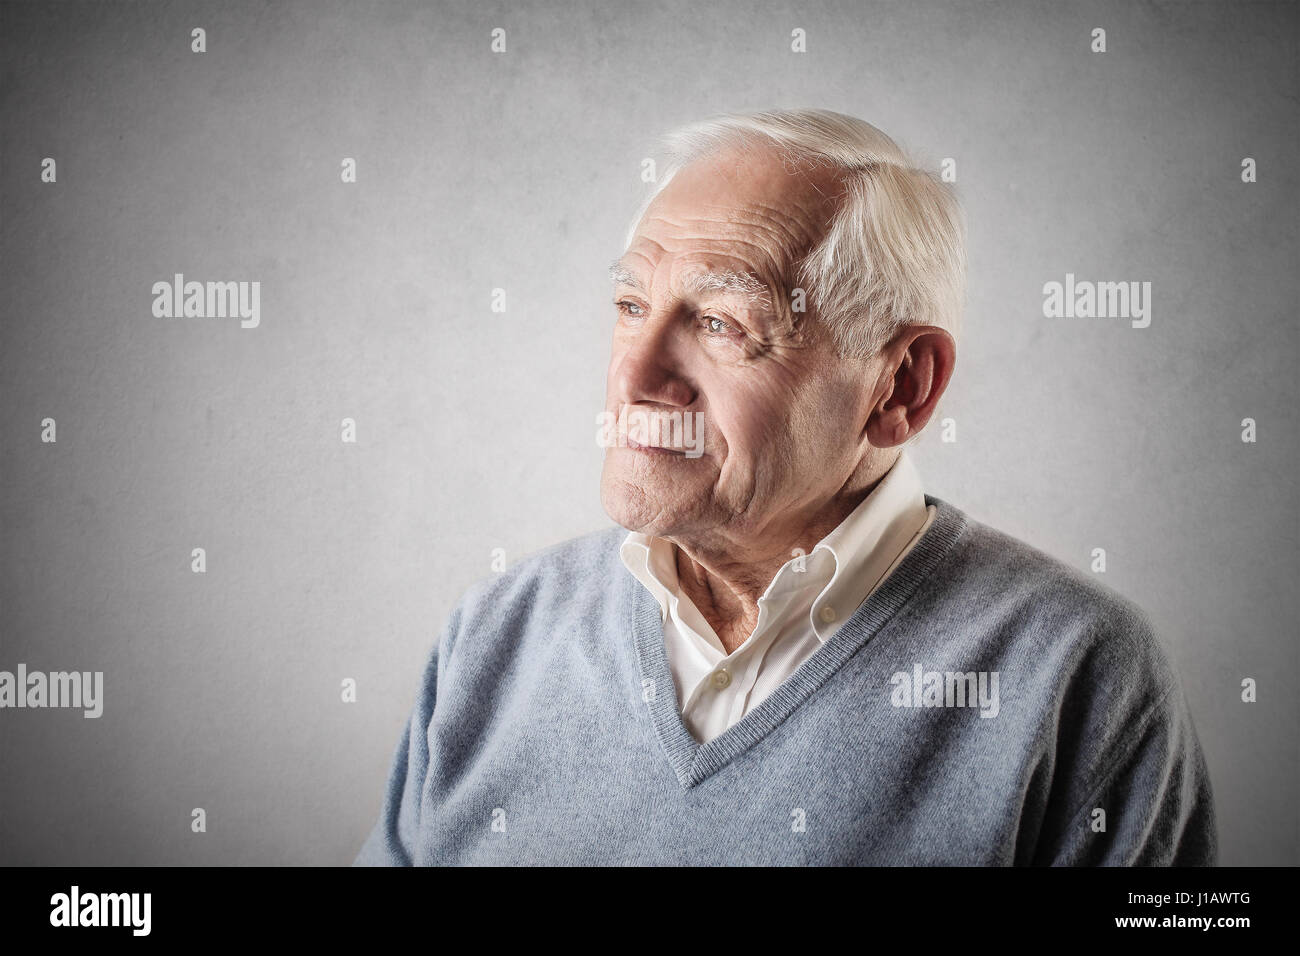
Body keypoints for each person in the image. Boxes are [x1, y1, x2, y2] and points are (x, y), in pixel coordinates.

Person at [354, 108, 1216, 865]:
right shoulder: (498, 634)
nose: (636, 376)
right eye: (629, 307)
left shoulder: (1076, 672)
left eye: (722, 323)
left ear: (900, 386)